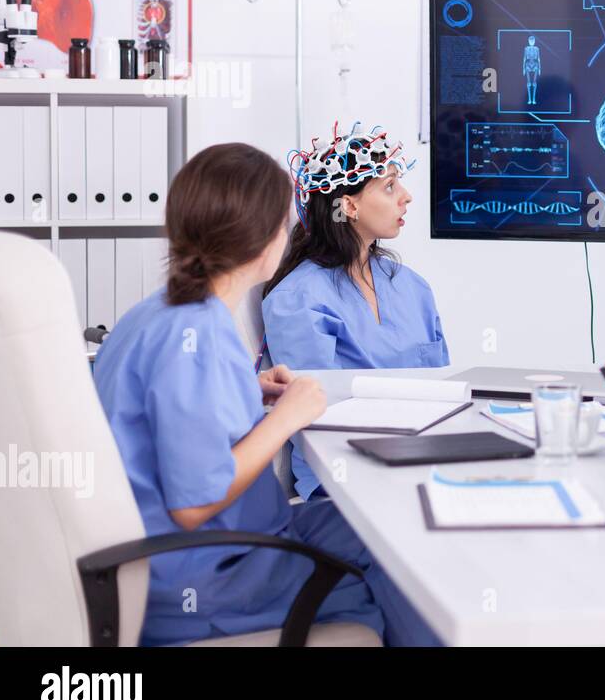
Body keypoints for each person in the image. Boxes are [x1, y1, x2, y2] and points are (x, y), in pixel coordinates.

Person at [92, 142, 438, 646]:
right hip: (207, 572)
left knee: (391, 524)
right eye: (283, 224)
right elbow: (195, 501)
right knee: (391, 575)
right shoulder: (198, 336)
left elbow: (172, 418)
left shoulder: (161, 314)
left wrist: (247, 395)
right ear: (263, 240)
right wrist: (286, 418)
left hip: (213, 544)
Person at [262, 122, 449, 500]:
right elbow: (317, 417)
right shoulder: (298, 299)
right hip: (343, 485)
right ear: (348, 205)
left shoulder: (412, 287)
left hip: (425, 464)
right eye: (390, 186)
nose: (407, 197)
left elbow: (446, 390)